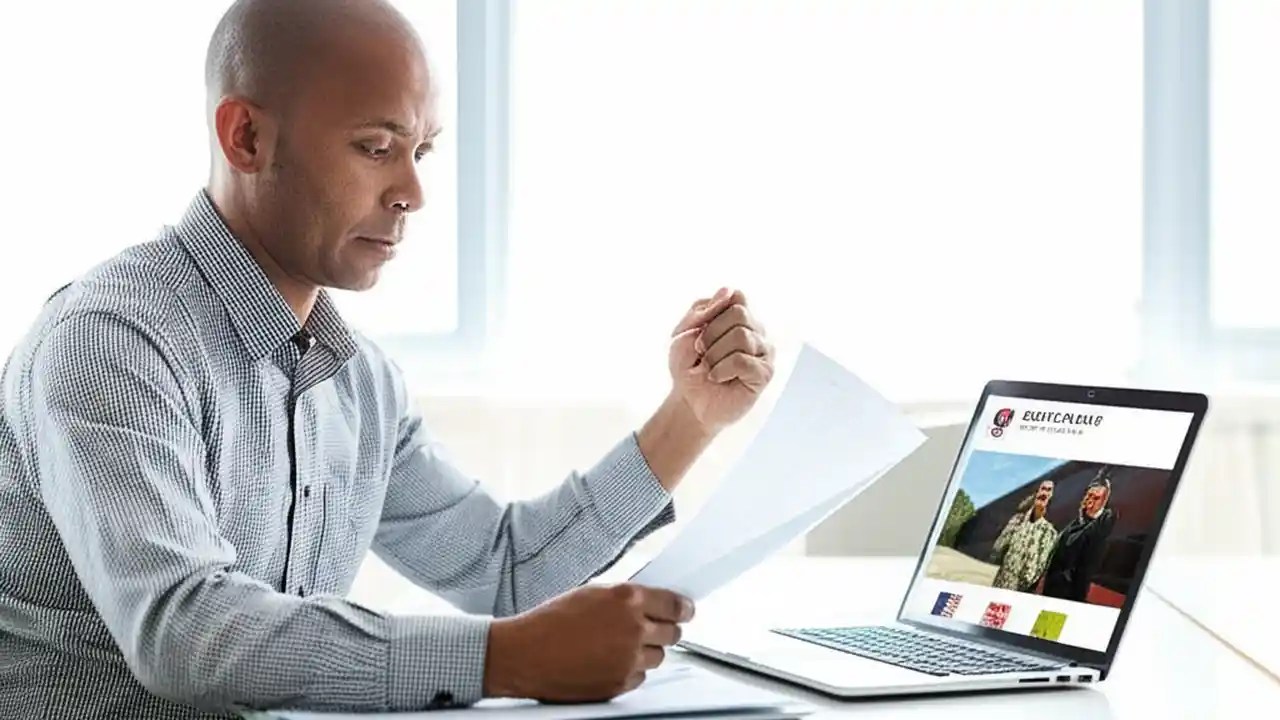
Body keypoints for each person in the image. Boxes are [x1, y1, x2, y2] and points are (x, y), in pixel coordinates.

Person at [0, 1, 777, 717]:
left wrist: (692, 416)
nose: (412, 191)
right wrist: (504, 660)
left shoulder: (359, 384)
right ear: (245, 138)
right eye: (376, 148)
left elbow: (501, 569)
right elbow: (185, 631)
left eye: (421, 151)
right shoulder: (111, 341)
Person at [1043, 471, 1117, 602]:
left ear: (1103, 502)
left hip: (1070, 595)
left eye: (1096, 498)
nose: (1090, 500)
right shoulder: (1074, 523)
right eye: (1089, 496)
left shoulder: (1103, 522)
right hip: (1051, 590)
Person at [989, 479, 1058, 592]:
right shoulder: (1017, 520)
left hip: (1020, 591)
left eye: (1049, 490)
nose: (1044, 493)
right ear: (1036, 493)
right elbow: (997, 550)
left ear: (1051, 498)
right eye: (1043, 489)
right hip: (1001, 584)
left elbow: (1039, 570)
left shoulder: (1049, 533)